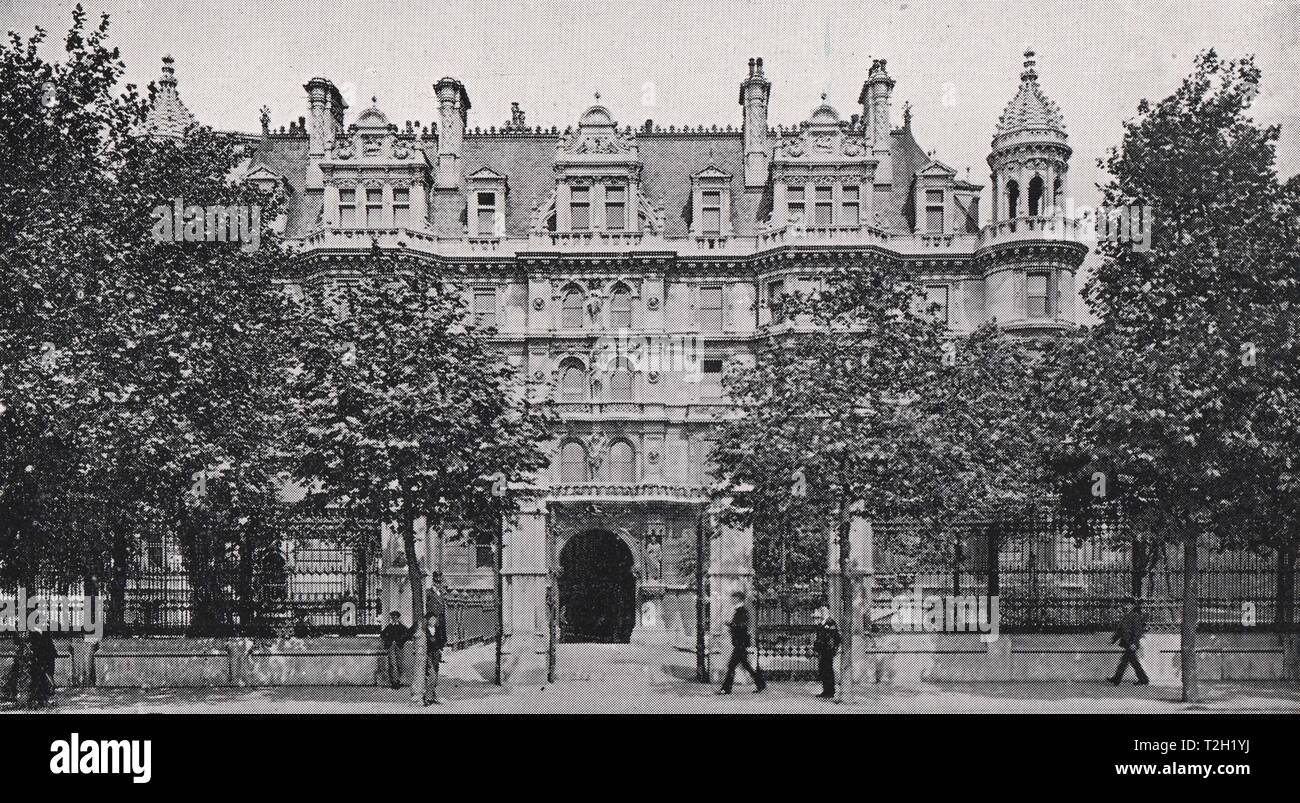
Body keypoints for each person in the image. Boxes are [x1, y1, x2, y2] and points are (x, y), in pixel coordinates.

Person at [717, 590, 765, 694]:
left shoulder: (742, 611)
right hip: (740, 643)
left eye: (733, 598)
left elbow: (742, 626)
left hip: (740, 643)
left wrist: (730, 625)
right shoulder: (740, 610)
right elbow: (741, 625)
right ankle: (760, 683)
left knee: (731, 666)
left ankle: (726, 689)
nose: (731, 599)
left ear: (738, 598)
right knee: (745, 665)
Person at [1109, 596, 1149, 686]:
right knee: (1130, 662)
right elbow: (1120, 630)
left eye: (1128, 604)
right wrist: (1113, 640)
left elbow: (1138, 631)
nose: (1125, 606)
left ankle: (1117, 679)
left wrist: (1134, 643)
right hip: (1127, 643)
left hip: (1131, 643)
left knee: (1127, 662)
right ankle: (1143, 679)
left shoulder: (1135, 616)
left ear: (1132, 605)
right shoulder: (1126, 616)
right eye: (1124, 604)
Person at [812, 606, 842, 698]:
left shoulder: (830, 623)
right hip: (823, 651)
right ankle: (826, 691)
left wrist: (834, 649)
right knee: (823, 671)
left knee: (828, 671)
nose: (821, 613)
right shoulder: (822, 623)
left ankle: (830, 692)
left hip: (828, 651)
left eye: (823, 611)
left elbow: (836, 638)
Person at [422, 608, 448, 705]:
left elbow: (443, 639)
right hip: (427, 654)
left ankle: (433, 695)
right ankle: (427, 698)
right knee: (431, 675)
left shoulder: (438, 630)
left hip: (436, 654)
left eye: (434, 619)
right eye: (431, 619)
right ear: (427, 620)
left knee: (435, 675)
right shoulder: (424, 631)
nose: (433, 621)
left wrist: (441, 648)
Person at [379, 610, 410, 689]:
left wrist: (401, 640)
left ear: (398, 618)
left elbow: (408, 635)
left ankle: (398, 679)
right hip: (391, 646)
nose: (394, 619)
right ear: (391, 618)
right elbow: (382, 635)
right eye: (393, 617)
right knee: (392, 664)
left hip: (399, 646)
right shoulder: (389, 627)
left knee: (399, 664)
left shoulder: (402, 627)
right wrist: (389, 641)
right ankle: (394, 682)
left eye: (396, 617)